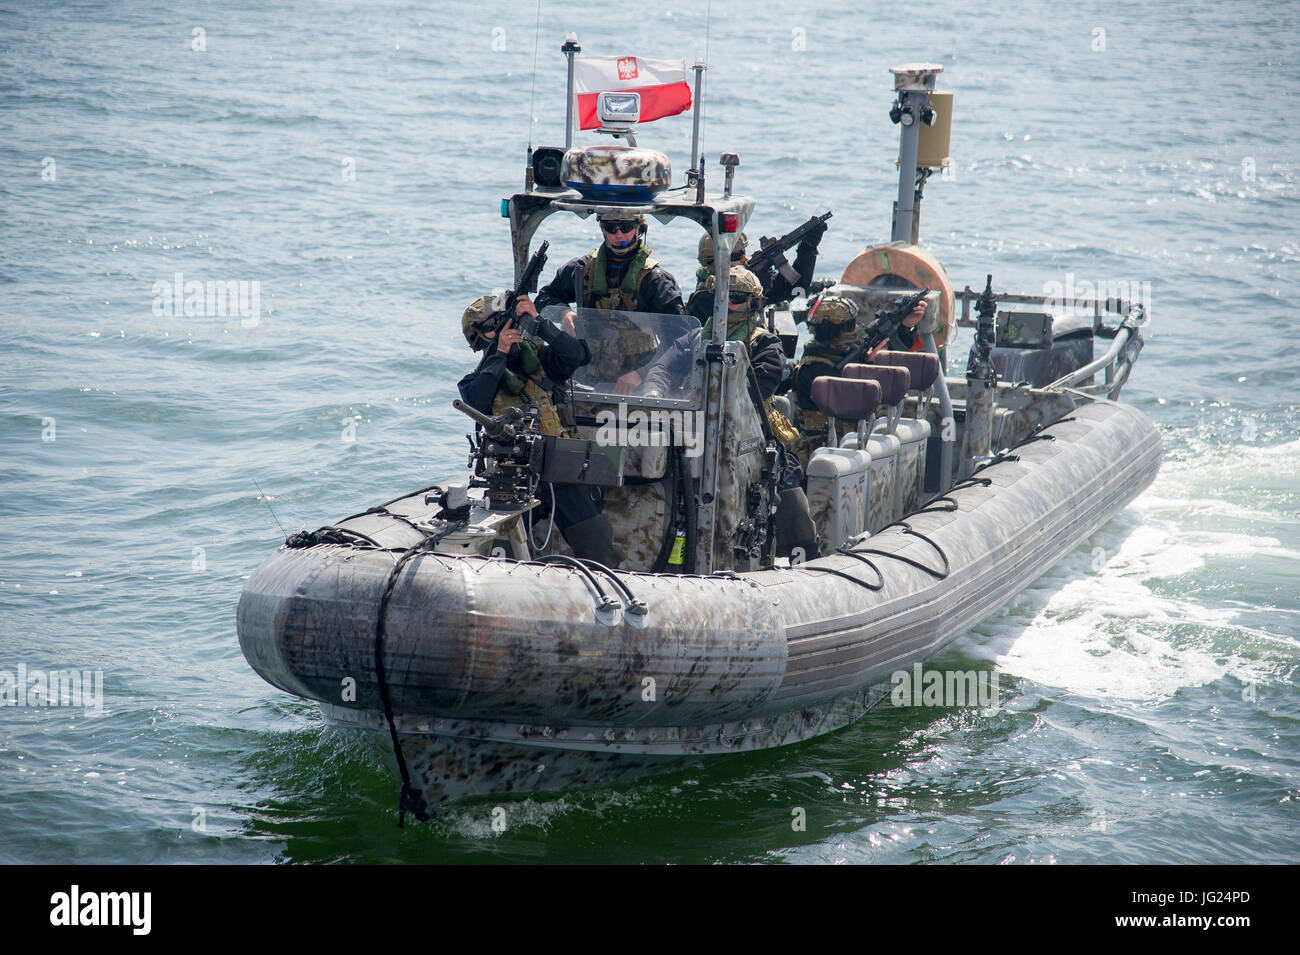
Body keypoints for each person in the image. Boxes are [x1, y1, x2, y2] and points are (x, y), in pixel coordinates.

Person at [644, 266, 821, 562]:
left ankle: (802, 555)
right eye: (722, 297)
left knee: (789, 491)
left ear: (753, 302)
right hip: (694, 430)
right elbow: (662, 368)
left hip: (750, 434)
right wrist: (654, 394)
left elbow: (759, 386)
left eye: (736, 298)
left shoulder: (764, 344)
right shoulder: (695, 338)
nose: (728, 304)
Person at [457, 294, 624, 567]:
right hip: (513, 478)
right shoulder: (476, 380)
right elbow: (477, 401)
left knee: (597, 545)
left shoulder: (541, 361)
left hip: (562, 471)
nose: (500, 330)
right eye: (490, 328)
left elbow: (578, 355)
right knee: (501, 554)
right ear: (478, 340)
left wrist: (540, 323)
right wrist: (499, 352)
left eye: (502, 322)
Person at [516, 211, 686, 395]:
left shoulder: (656, 281)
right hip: (585, 374)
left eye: (626, 227)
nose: (618, 234)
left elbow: (680, 339)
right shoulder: (582, 269)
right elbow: (544, 298)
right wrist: (563, 313)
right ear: (603, 229)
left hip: (637, 382)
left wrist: (642, 374)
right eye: (611, 228)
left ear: (639, 228)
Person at [791, 292, 927, 466]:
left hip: (853, 441)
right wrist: (869, 365)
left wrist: (905, 326)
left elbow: (888, 343)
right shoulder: (813, 368)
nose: (854, 329)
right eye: (849, 325)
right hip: (823, 448)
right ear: (835, 330)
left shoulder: (847, 352)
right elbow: (851, 397)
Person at [687, 218, 827, 321]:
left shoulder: (749, 280)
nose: (745, 259)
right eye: (738, 255)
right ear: (717, 261)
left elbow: (797, 288)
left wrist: (807, 249)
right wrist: (760, 293)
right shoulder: (704, 298)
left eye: (744, 252)